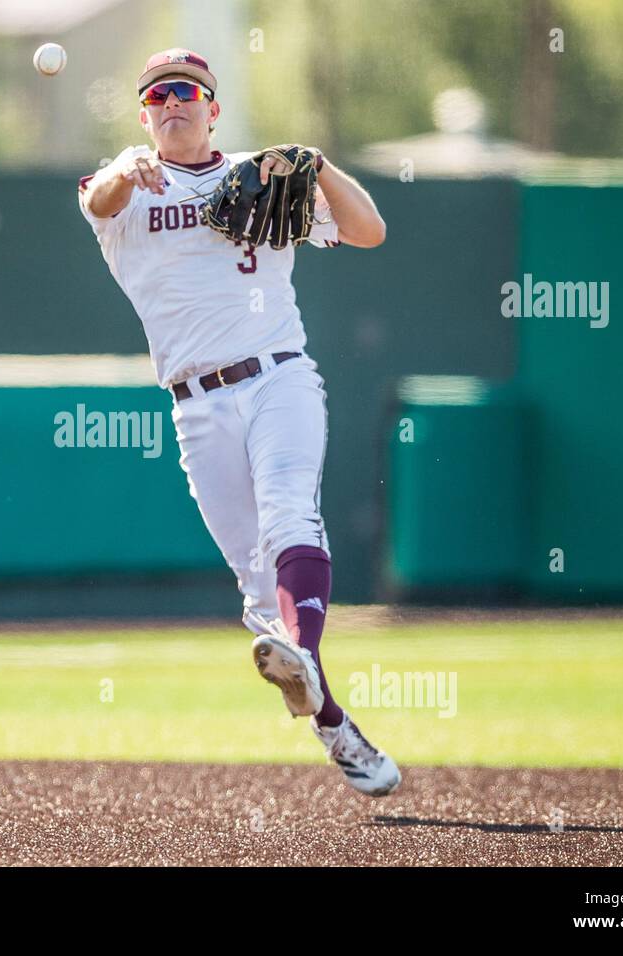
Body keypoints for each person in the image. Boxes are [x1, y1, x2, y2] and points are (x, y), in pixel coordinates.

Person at [77, 48, 399, 795]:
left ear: (213, 108)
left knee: (291, 514)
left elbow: (370, 231)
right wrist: (128, 168)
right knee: (261, 601)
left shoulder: (261, 175)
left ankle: (307, 663)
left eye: (188, 91)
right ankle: (334, 726)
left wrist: (317, 165)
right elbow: (99, 202)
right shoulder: (121, 188)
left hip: (278, 375)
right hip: (196, 404)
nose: (173, 102)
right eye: (157, 94)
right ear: (144, 113)